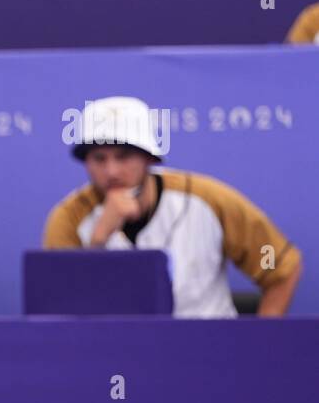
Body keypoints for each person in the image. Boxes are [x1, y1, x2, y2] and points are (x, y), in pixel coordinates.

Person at [44, 96, 302, 318]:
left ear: (148, 158)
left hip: (208, 352)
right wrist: (97, 242)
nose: (111, 171)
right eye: (99, 159)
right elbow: (59, 308)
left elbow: (277, 265)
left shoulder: (208, 199)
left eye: (123, 157)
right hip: (117, 354)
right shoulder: (69, 218)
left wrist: (260, 345)